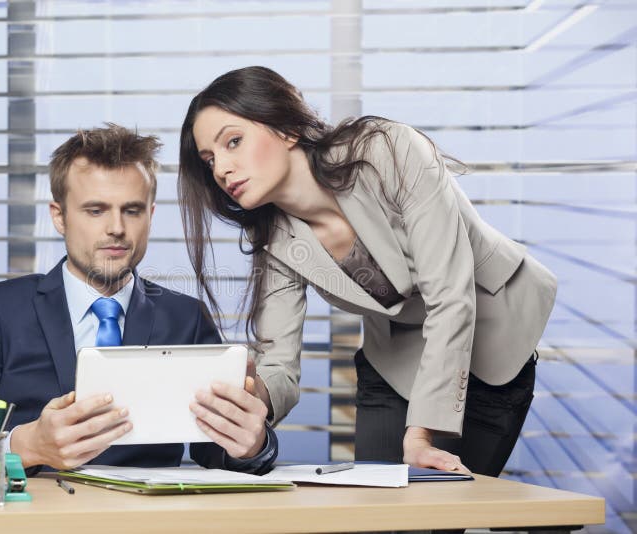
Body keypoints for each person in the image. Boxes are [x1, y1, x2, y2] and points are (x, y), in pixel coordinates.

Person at [177, 66, 557, 477]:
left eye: (233, 142)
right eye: (210, 160)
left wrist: (421, 433)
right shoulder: (275, 242)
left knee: (439, 513)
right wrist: (252, 397)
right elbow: (279, 365)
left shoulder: (389, 151)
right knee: (373, 509)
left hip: (492, 338)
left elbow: (450, 298)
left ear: (286, 129)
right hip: (392, 357)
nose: (221, 170)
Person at [0, 124, 277, 475]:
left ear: (149, 216)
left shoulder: (184, 317)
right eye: (95, 210)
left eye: (131, 210)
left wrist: (251, 442)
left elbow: (217, 450)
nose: (116, 228)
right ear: (60, 217)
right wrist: (27, 445)